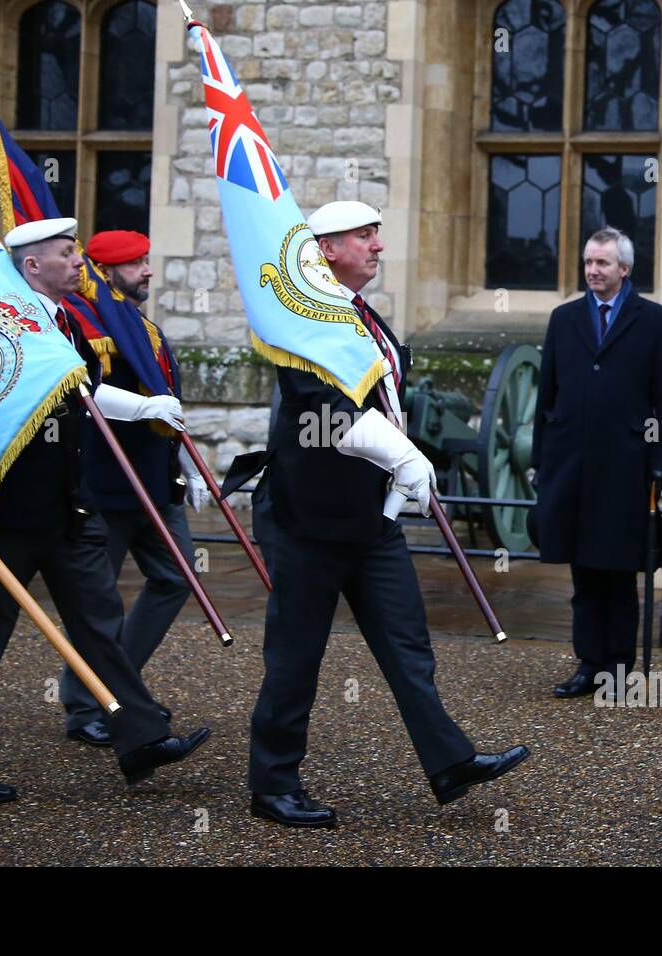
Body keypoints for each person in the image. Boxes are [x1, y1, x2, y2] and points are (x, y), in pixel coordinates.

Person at [244, 201, 529, 828]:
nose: (377, 246)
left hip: (370, 519)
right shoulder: (301, 325)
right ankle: (272, 782)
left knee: (407, 647)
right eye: (363, 236)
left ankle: (448, 761)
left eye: (376, 234)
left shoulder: (361, 317)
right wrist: (404, 455)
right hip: (307, 520)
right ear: (325, 250)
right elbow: (327, 415)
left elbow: (385, 402)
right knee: (296, 658)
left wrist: (402, 470)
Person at [0, 217, 209, 803]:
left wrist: (144, 407)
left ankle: (138, 737)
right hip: (9, 512)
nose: (79, 262)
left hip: (69, 508)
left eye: (77, 252)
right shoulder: (4, 324)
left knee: (101, 626)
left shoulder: (61, 322)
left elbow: (85, 388)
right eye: (65, 253)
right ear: (32, 266)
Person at [57, 229, 208, 746]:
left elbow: (165, 395)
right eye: (136, 263)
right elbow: (82, 391)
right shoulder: (84, 319)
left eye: (146, 260)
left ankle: (122, 688)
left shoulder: (136, 322)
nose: (147, 271)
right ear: (103, 269)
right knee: (97, 604)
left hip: (155, 479)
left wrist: (184, 458)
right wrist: (144, 408)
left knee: (175, 577)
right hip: (106, 482)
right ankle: (86, 706)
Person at [532, 227, 662, 699]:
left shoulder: (655, 321)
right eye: (588, 263)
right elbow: (547, 394)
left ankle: (618, 667)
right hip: (572, 464)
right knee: (583, 571)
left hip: (626, 466)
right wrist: (541, 461)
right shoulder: (564, 318)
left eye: (602, 263)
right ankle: (588, 663)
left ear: (625, 269)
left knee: (617, 570)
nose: (593, 271)